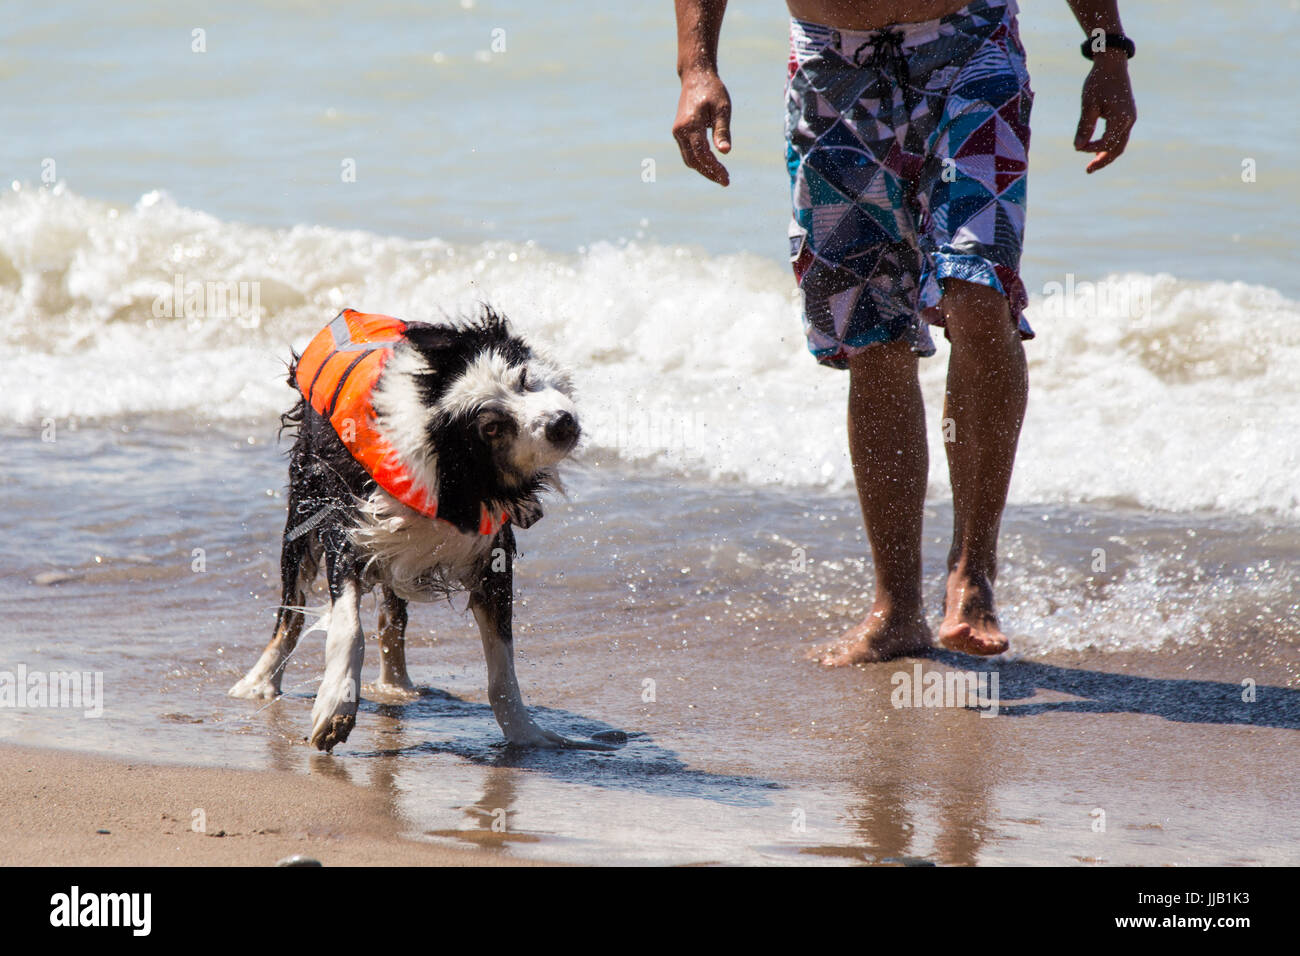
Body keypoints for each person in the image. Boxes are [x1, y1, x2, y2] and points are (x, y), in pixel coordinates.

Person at [671, 0, 1135, 663]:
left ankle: (972, 571)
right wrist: (697, 67)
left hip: (972, 48)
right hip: (831, 68)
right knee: (873, 334)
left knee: (978, 289)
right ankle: (897, 612)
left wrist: (1107, 51)